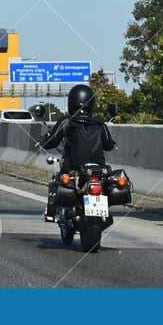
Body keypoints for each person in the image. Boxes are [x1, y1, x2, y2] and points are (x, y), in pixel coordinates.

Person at [41, 83, 115, 221]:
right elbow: (109, 145)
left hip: (73, 168)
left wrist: (43, 140)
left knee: (56, 181)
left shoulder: (66, 121)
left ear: (71, 101)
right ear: (91, 102)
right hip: (99, 169)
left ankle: (52, 214)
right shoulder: (99, 123)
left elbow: (51, 141)